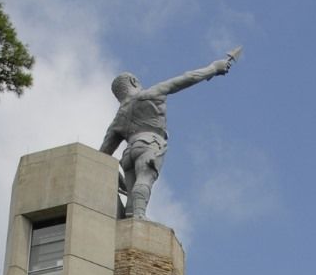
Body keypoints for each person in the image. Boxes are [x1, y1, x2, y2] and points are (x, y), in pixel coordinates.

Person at [100, 50, 239, 219]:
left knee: (132, 193)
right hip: (150, 143)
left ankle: (132, 218)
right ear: (133, 81)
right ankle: (139, 216)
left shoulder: (118, 119)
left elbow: (100, 158)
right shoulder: (150, 94)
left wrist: (117, 177)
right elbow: (187, 78)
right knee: (144, 179)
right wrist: (213, 68)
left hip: (128, 153)